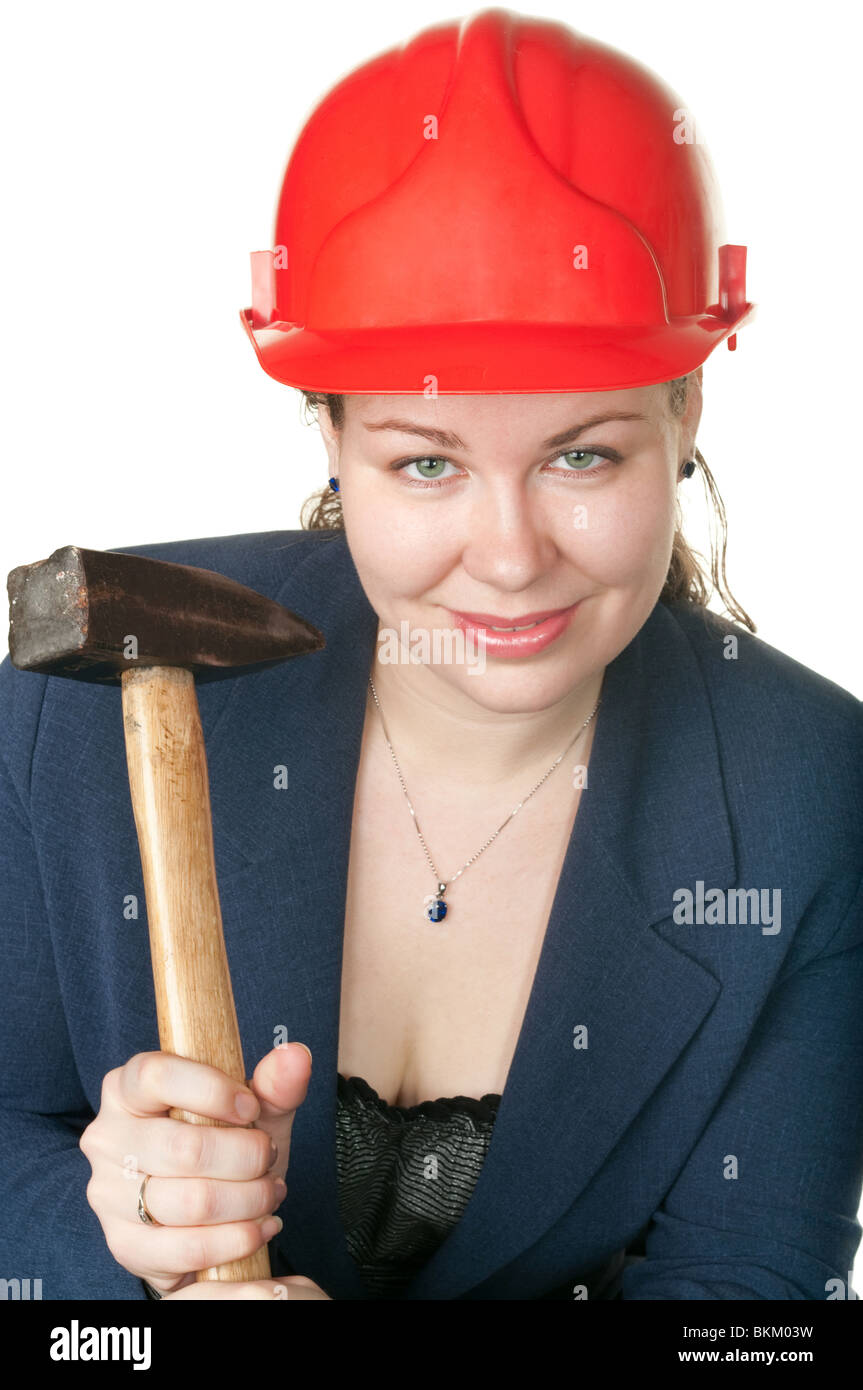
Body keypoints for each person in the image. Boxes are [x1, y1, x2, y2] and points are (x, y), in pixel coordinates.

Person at [1, 8, 861, 1302]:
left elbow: (746, 1310)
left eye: (584, 453)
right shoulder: (81, 701)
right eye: (425, 461)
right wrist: (116, 1245)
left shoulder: (812, 797)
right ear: (330, 435)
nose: (510, 555)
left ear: (686, 406)